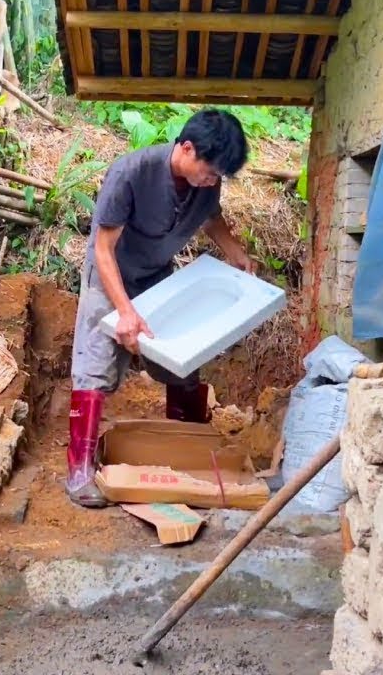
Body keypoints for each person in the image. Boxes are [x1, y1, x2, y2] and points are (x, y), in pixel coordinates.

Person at [66, 109, 257, 507]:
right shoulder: (130, 173)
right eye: (210, 171)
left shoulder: (205, 184)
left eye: (219, 175)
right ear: (186, 149)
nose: (213, 180)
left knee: (180, 361)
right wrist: (125, 311)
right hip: (110, 276)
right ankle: (80, 472)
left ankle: (185, 449)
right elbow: (103, 249)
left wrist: (236, 253)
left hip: (157, 274)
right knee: (94, 366)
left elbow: (212, 220)